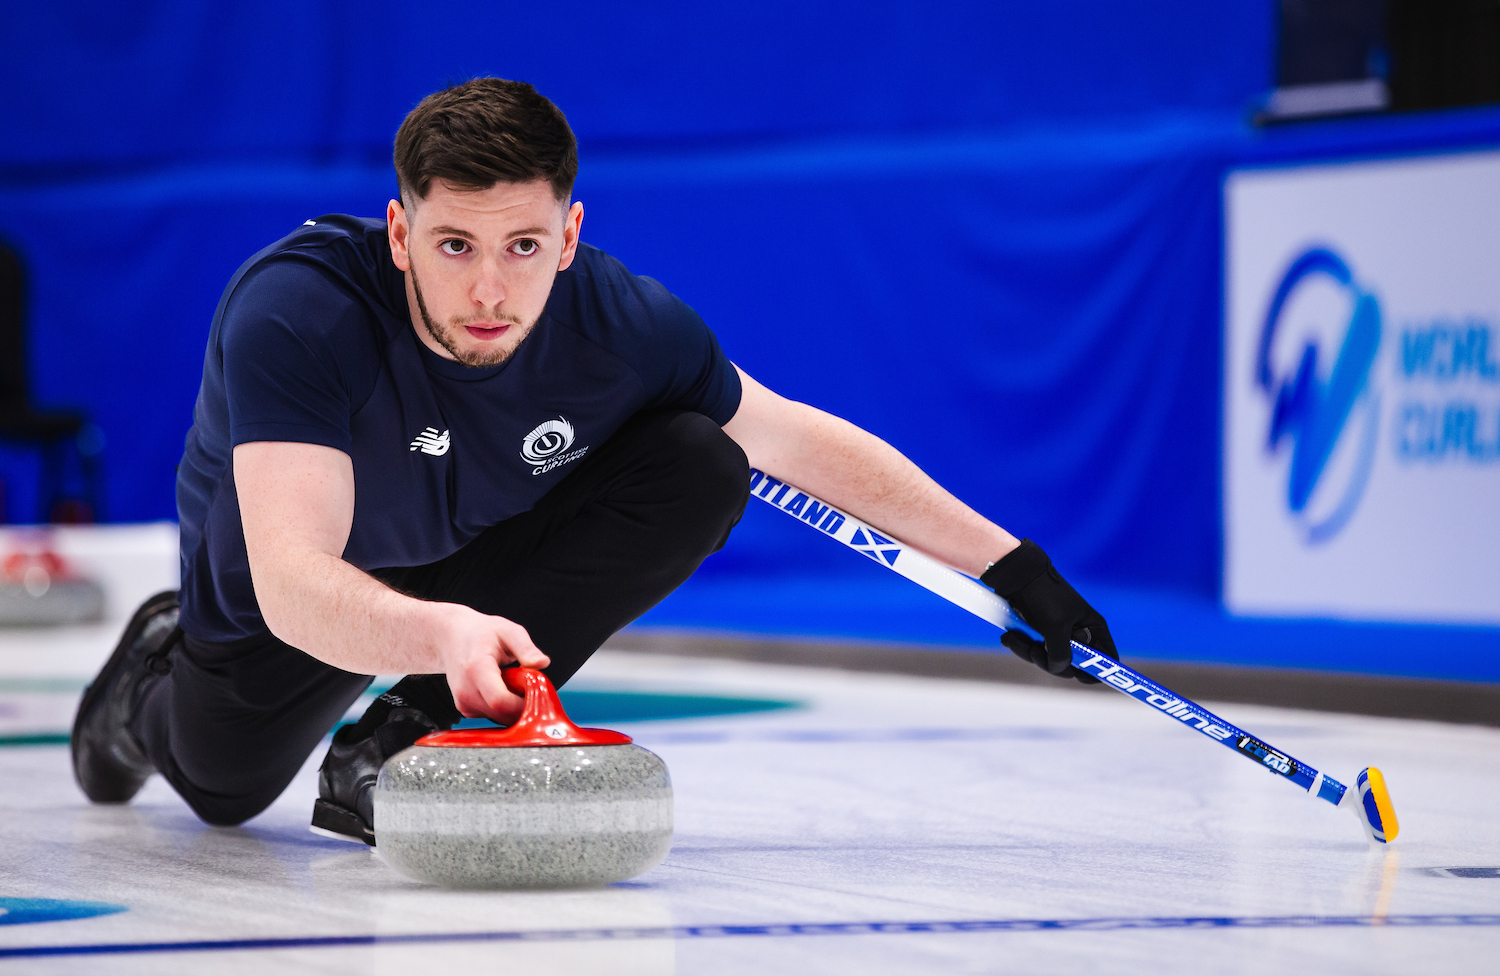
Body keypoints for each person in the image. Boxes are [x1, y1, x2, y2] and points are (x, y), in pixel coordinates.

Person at [71, 78, 1117, 845]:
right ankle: (150, 673)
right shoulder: (300, 314)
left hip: (462, 561)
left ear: (569, 236)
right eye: (454, 246)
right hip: (291, 600)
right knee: (222, 788)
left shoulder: (624, 326)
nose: (490, 290)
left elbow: (795, 439)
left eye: (523, 246)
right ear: (399, 232)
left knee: (701, 461)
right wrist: (440, 631)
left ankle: (407, 740)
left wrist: (1011, 566)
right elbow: (298, 582)